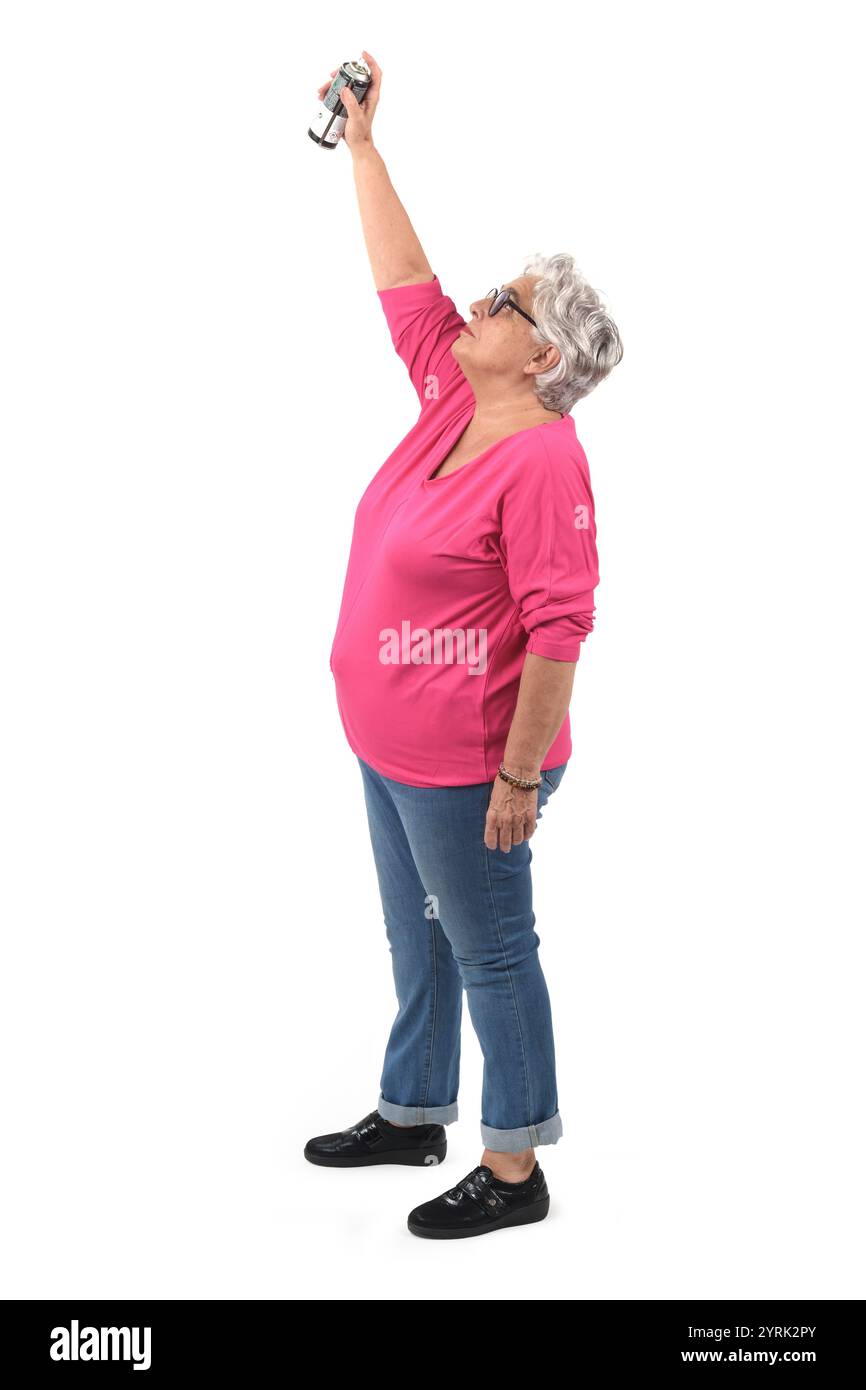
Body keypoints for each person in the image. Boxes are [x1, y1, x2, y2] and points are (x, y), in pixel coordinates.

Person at [304, 51, 624, 1239]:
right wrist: (365, 143)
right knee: (416, 935)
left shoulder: (542, 455)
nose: (480, 305)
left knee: (493, 952)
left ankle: (514, 1169)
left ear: (543, 358)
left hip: (473, 763)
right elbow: (403, 276)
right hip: (388, 743)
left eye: (508, 304)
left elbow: (558, 631)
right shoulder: (453, 394)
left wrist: (514, 776)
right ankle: (412, 1108)